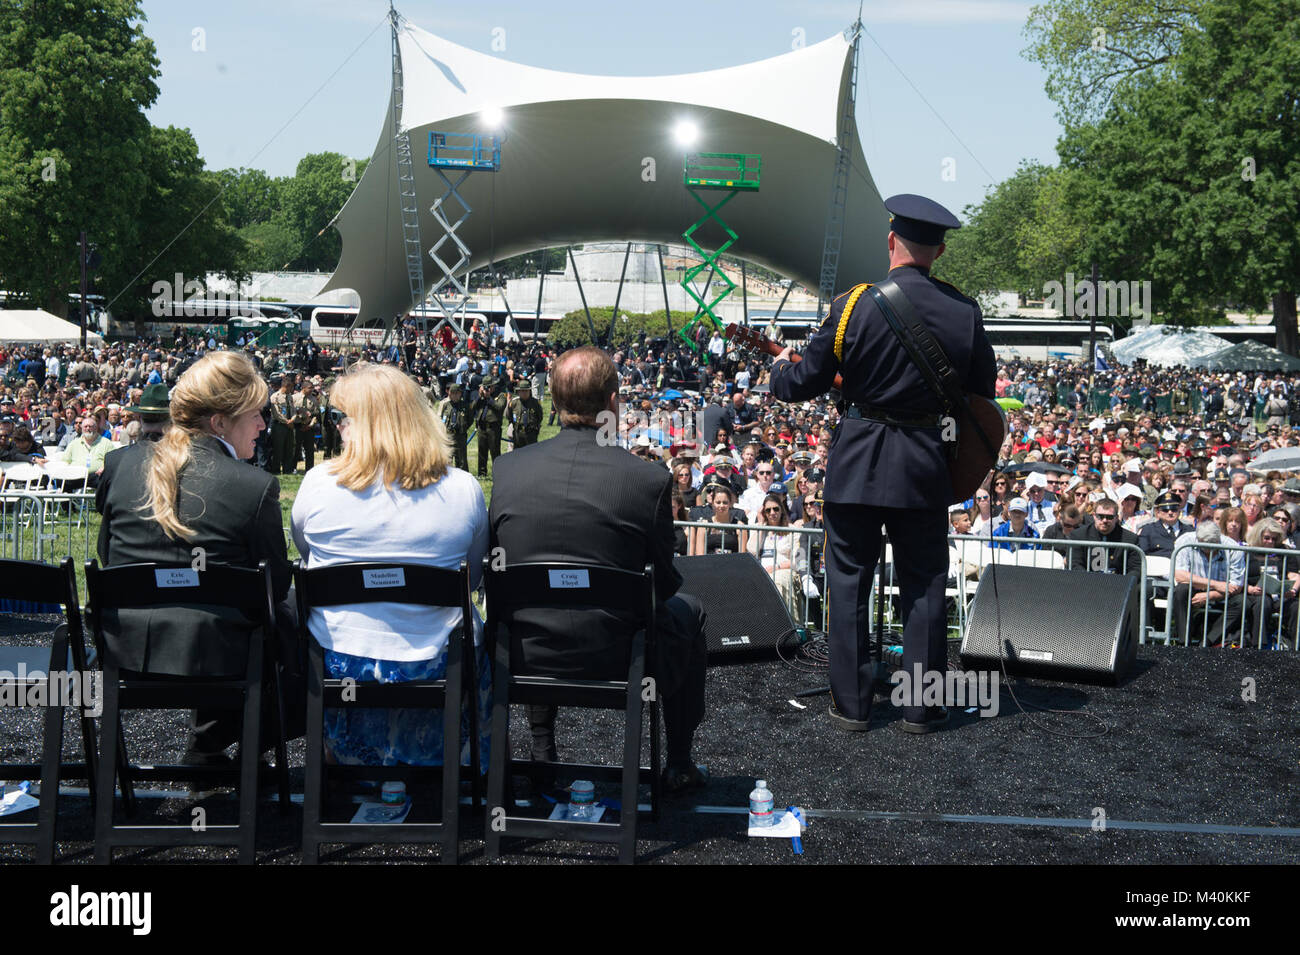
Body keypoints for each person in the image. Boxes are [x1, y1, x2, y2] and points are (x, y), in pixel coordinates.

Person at [769, 193, 996, 733]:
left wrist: (779, 370)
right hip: (923, 468)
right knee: (923, 586)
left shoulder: (853, 304)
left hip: (857, 465)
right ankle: (920, 708)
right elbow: (981, 397)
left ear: (891, 240)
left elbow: (803, 383)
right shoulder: (964, 312)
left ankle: (851, 706)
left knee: (848, 584)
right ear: (939, 251)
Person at [489, 346, 708, 792]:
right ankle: (680, 762)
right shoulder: (647, 480)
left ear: (553, 402)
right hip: (620, 655)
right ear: (613, 403)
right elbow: (664, 585)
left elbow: (499, 575)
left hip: (525, 653)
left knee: (537, 602)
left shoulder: (507, 470)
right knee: (692, 610)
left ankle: (542, 750)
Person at [94, 350, 297, 766]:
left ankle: (210, 745)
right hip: (222, 661)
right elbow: (274, 586)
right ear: (220, 422)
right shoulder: (254, 486)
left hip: (125, 651)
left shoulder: (119, 464)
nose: (262, 425)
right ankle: (238, 742)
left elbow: (107, 555)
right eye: (256, 414)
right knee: (290, 614)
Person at [290, 363, 489, 766]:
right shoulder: (463, 489)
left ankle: (342, 761)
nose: (336, 428)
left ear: (365, 424)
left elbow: (310, 561)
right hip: (436, 664)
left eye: (339, 418)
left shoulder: (316, 485)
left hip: (339, 662)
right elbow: (474, 575)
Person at [507, 379, 543, 447]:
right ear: (518, 392)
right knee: (518, 454)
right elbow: (509, 416)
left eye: (526, 391)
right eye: (522, 391)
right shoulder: (514, 402)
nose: (524, 393)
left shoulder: (535, 403)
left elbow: (540, 417)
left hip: (531, 433)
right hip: (518, 432)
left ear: (529, 391)